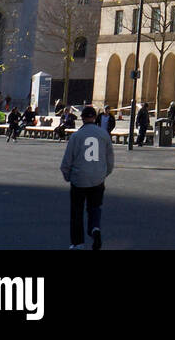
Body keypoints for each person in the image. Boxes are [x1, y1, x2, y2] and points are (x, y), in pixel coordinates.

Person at [60, 105, 114, 250]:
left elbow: (66, 162)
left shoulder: (76, 136)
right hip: (98, 179)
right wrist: (103, 174)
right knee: (95, 208)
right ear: (95, 118)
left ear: (82, 119)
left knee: (77, 212)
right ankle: (95, 228)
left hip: (79, 179)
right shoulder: (103, 135)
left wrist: (68, 176)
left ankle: (78, 243)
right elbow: (110, 161)